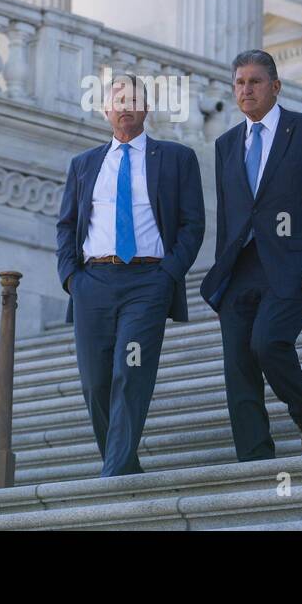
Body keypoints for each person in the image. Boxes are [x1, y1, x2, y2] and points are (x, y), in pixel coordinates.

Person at [200, 49, 302, 461]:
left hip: (293, 266)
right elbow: (230, 217)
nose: (246, 90)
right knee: (238, 369)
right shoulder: (226, 144)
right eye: (239, 83)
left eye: (255, 81)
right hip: (239, 271)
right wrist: (223, 276)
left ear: (276, 86)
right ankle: (255, 460)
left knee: (268, 343)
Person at [56, 74, 206, 476]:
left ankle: (114, 472)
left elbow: (193, 224)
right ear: (106, 110)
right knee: (95, 383)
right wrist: (72, 278)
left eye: (134, 99)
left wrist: (168, 275)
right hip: (93, 284)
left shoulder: (176, 158)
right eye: (118, 100)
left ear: (146, 109)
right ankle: (124, 463)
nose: (126, 106)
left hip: (147, 281)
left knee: (130, 370)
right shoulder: (84, 165)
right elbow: (67, 225)